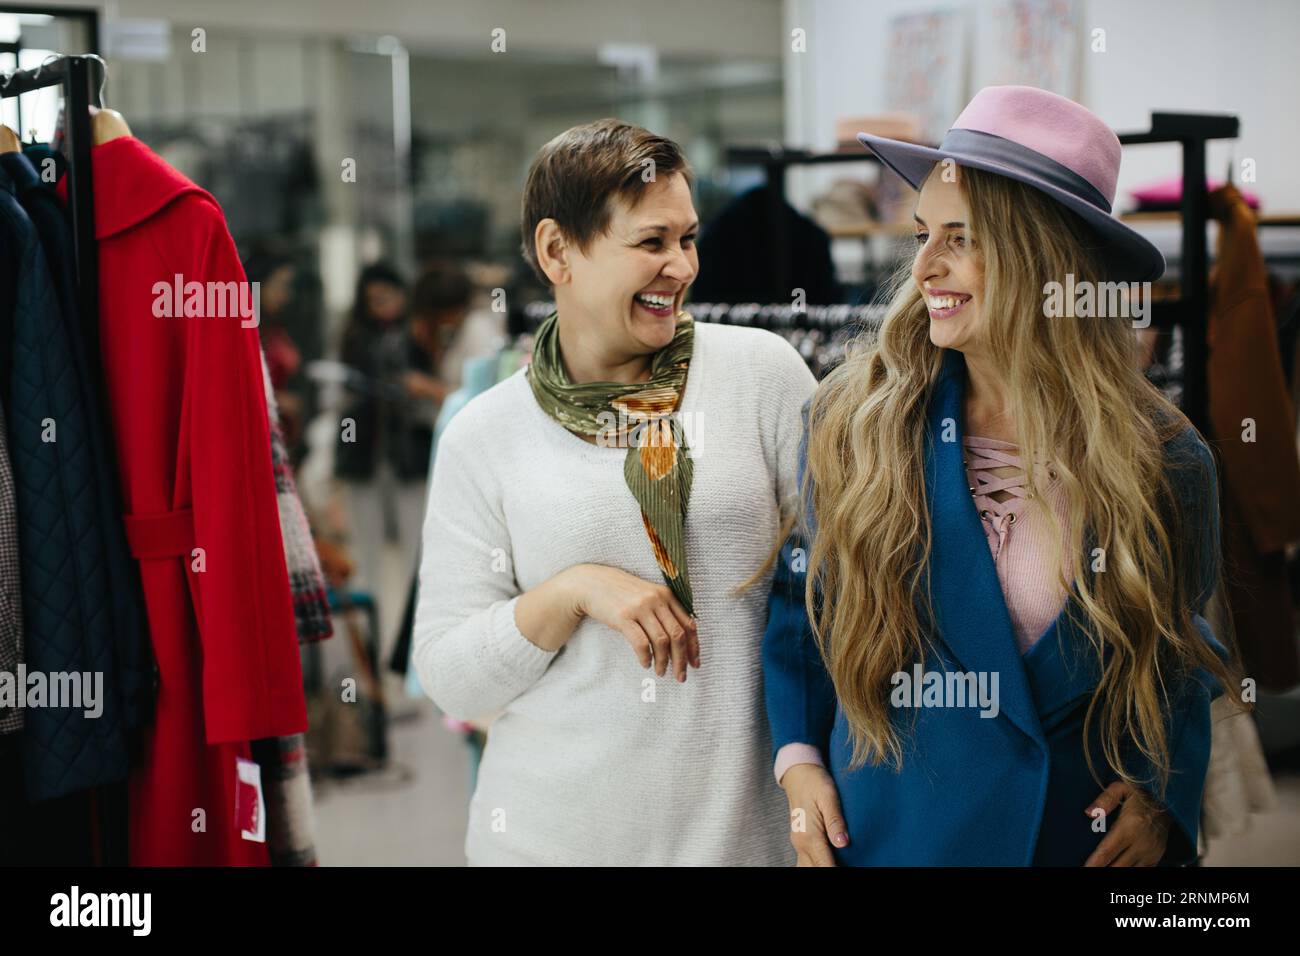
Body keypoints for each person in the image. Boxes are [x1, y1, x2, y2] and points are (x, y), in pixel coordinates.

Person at [764, 86, 1241, 866]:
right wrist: (798, 764)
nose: (924, 267)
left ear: (1046, 256)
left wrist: (1164, 798)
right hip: (895, 836)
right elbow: (803, 606)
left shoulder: (1166, 457)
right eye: (921, 234)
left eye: (961, 237)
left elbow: (1176, 656)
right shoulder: (855, 423)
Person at [412, 119, 816, 865]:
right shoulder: (485, 433)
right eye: (651, 243)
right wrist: (571, 591)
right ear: (556, 251)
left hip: (744, 842)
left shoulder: (764, 376)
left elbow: (847, 596)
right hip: (546, 842)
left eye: (687, 239)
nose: (681, 266)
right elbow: (451, 679)